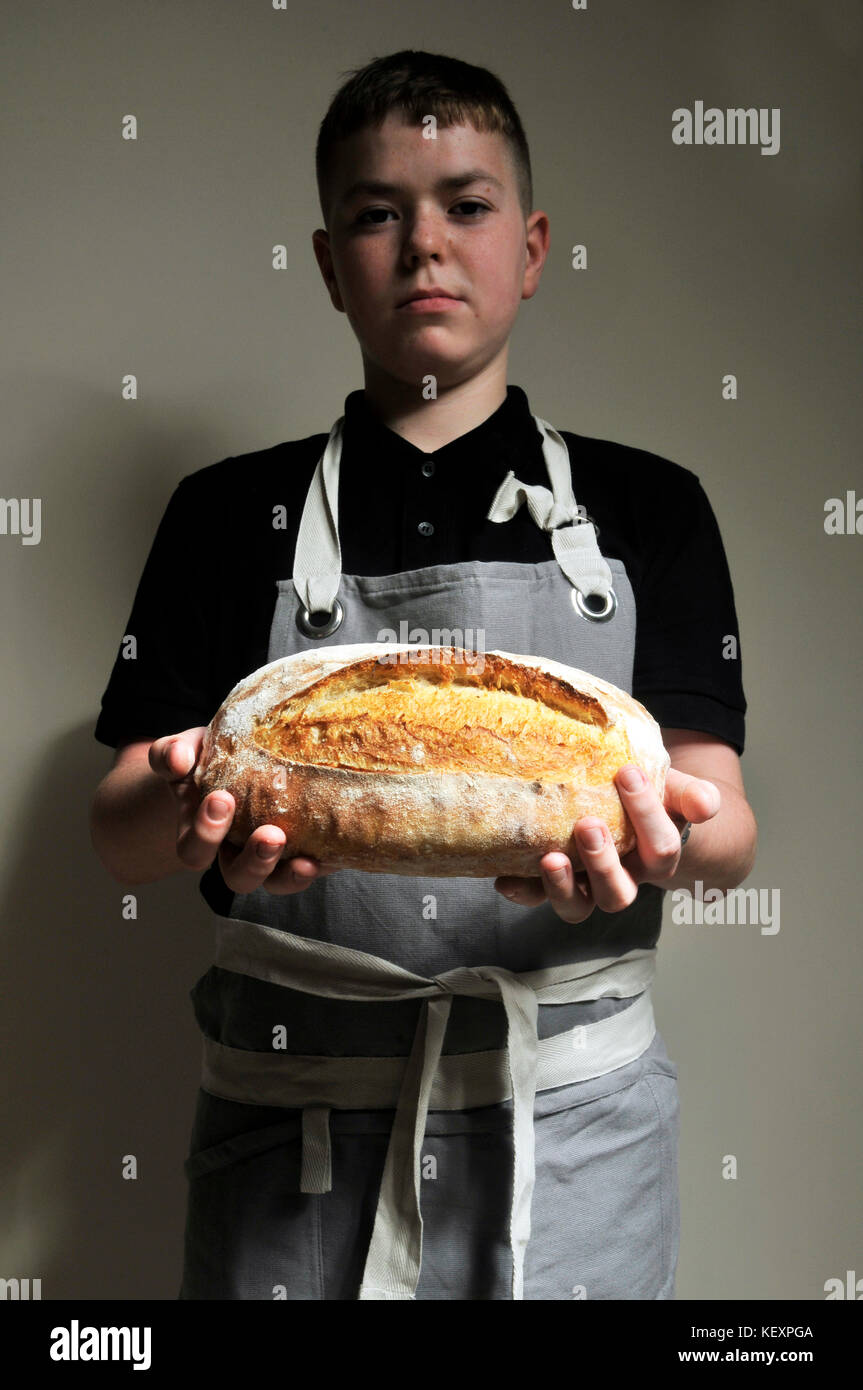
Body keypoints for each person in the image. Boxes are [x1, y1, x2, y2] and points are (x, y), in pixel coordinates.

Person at [90, 49, 758, 1301]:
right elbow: (120, 827)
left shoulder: (648, 509)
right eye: (375, 214)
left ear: (533, 244)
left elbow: (722, 820)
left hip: (569, 1143)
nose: (423, 247)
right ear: (328, 260)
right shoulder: (223, 513)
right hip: (293, 1134)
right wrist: (190, 812)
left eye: (465, 204)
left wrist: (667, 843)